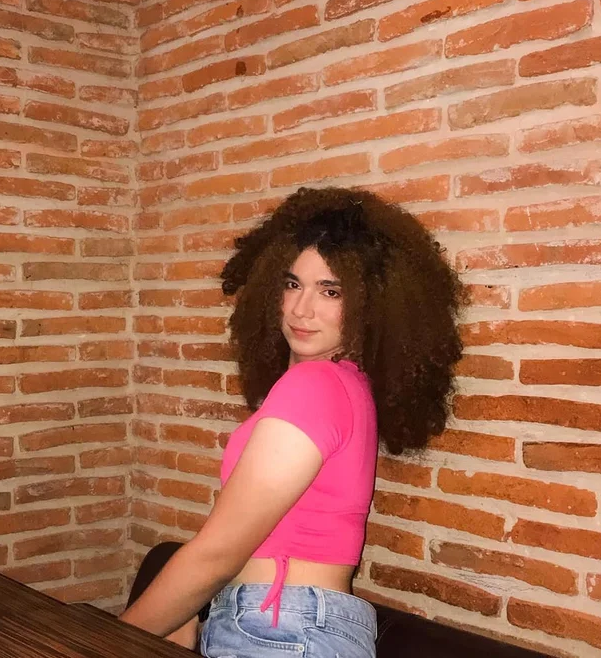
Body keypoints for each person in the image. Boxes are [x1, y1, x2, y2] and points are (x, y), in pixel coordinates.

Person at [119, 186, 465, 656]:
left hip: (282, 631)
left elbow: (218, 555)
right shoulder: (345, 384)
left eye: (331, 291)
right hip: (292, 626)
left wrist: (103, 640)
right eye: (292, 284)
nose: (302, 309)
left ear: (371, 303)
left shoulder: (315, 386)